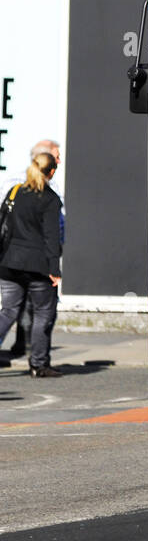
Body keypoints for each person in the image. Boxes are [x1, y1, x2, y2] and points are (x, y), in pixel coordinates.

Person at [0, 151, 63, 377]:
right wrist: (55, 270)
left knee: (7, 311)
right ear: (51, 171)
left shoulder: (15, 192)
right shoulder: (50, 200)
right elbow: (51, 237)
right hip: (37, 266)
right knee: (43, 313)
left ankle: (38, 363)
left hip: (9, 264)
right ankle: (38, 364)